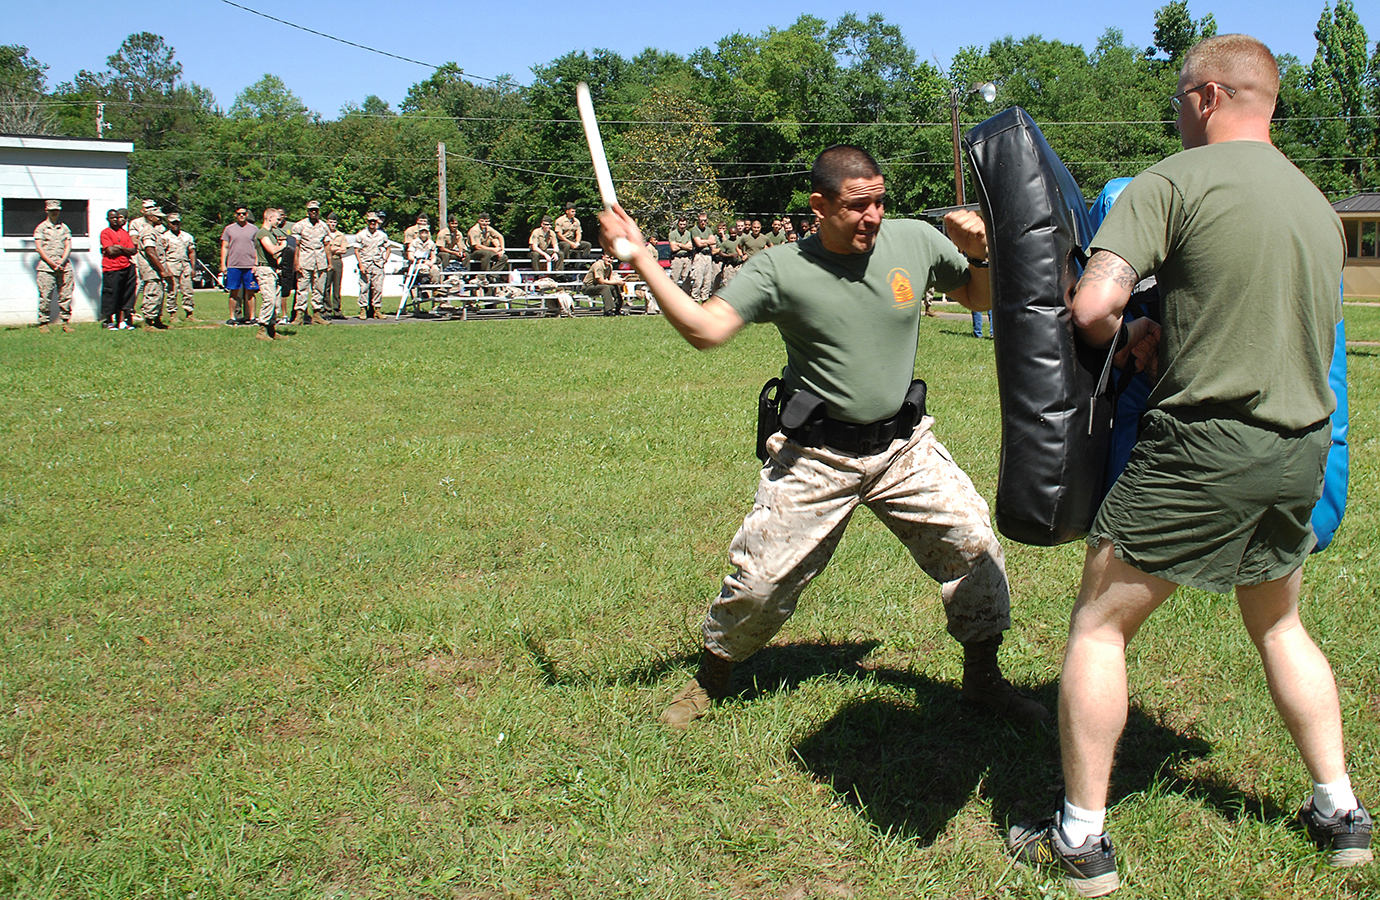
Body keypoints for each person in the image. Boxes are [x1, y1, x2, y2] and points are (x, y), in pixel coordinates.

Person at [1006, 35, 1371, 897]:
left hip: (1205, 446)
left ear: (1209, 96)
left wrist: (1122, 326)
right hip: (1301, 452)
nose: (1176, 114)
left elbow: (1093, 303)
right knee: (1279, 624)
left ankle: (1081, 838)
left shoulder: (1176, 180)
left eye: (1179, 99)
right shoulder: (1318, 205)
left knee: (1099, 624)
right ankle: (1340, 811)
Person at [598, 144, 1046, 731]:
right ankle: (712, 675)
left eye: (881, 202)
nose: (874, 216)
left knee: (975, 545)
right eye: (858, 205)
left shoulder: (913, 240)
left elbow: (980, 298)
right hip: (817, 454)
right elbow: (705, 330)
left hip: (902, 448)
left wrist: (982, 254)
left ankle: (984, 680)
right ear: (820, 205)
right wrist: (641, 261)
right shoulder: (779, 268)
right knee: (760, 583)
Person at [33, 200, 74, 333]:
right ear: (47, 211)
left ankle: (66, 322)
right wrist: (51, 263)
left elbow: (68, 245)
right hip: (46, 267)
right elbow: (39, 247)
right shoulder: (41, 228)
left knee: (66, 295)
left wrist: (61, 262)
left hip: (64, 266)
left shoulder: (64, 228)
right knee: (45, 295)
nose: (54, 212)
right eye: (51, 210)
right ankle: (43, 322)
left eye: (56, 210)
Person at [130, 201, 171, 330]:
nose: (160, 219)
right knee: (152, 293)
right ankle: (148, 321)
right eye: (157, 216)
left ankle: (157, 320)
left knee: (159, 294)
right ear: (150, 217)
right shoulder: (148, 232)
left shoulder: (156, 231)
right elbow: (150, 251)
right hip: (151, 269)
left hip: (157, 268)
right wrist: (161, 269)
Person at [220, 206, 260, 326]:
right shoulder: (229, 229)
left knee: (250, 291)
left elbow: (258, 248)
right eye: (239, 214)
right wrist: (223, 264)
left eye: (243, 213)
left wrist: (256, 263)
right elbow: (225, 246)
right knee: (234, 291)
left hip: (249, 265)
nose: (241, 216)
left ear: (247, 214)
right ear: (235, 215)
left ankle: (252, 317)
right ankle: (233, 317)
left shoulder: (254, 229)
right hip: (233, 265)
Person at [99, 208, 138, 329]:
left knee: (124, 294)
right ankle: (109, 322)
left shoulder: (124, 233)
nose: (115, 220)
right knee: (111, 295)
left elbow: (133, 250)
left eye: (117, 218)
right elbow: (110, 251)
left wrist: (120, 248)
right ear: (108, 219)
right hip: (112, 268)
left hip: (126, 267)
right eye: (112, 218)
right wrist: (124, 250)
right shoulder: (105, 233)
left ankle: (121, 321)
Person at [293, 200, 331, 325]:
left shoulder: (324, 226)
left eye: (316, 210)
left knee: (319, 288)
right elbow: (296, 246)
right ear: (307, 211)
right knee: (302, 289)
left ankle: (317, 314)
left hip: (320, 261)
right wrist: (296, 263)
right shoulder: (300, 226)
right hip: (305, 260)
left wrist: (329, 262)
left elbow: (327, 245)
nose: (313, 212)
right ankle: (300, 314)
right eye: (311, 210)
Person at [253, 208, 286, 341]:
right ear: (269, 218)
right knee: (269, 299)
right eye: (277, 219)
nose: (279, 221)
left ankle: (272, 329)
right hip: (265, 270)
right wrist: (283, 245)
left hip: (273, 270)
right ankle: (262, 329)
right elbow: (272, 250)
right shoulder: (262, 233)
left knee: (276, 301)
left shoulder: (271, 233)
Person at [355, 212, 390, 319]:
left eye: (374, 221)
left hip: (377, 264)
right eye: (371, 221)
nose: (372, 223)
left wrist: (385, 259)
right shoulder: (361, 234)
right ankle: (363, 309)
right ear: (367, 222)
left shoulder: (382, 235)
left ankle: (377, 309)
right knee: (364, 287)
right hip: (365, 263)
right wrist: (360, 264)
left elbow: (388, 247)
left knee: (378, 288)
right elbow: (356, 249)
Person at [163, 213, 197, 321]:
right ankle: (172, 314)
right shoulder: (164, 237)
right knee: (172, 291)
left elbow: (191, 251)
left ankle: (189, 313)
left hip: (185, 265)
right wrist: (165, 269)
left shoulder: (187, 236)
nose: (175, 225)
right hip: (171, 264)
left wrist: (193, 267)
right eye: (173, 223)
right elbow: (162, 254)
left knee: (188, 290)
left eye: (177, 222)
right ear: (169, 224)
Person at [583, 248, 626, 315]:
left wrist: (619, 282)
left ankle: (618, 308)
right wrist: (616, 282)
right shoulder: (598, 265)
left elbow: (611, 280)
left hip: (598, 285)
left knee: (614, 286)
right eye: (608, 258)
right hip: (588, 287)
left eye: (611, 259)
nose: (609, 260)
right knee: (605, 288)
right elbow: (601, 281)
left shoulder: (610, 266)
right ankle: (608, 310)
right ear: (603, 257)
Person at [323, 212, 349, 318]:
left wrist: (333, 249)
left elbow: (344, 250)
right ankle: (326, 310)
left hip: (337, 261)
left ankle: (337, 310)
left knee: (337, 286)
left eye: (334, 222)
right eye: (330, 222)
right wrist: (335, 249)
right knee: (326, 286)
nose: (332, 224)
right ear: (327, 222)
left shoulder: (340, 235)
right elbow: (324, 249)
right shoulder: (324, 234)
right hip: (326, 261)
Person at [688, 212, 717, 303]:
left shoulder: (708, 230)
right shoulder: (695, 230)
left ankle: (705, 301)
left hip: (708, 256)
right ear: (698, 220)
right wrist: (707, 242)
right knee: (698, 280)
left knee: (707, 281)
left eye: (704, 221)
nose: (703, 223)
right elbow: (699, 244)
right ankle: (695, 300)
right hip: (699, 256)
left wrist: (704, 241)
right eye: (701, 221)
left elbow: (713, 241)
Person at [667, 215, 694, 292]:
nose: (682, 226)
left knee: (687, 280)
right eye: (681, 224)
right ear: (678, 224)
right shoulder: (673, 234)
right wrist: (685, 245)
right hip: (677, 259)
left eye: (684, 224)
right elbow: (673, 248)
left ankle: (686, 297)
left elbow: (690, 247)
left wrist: (679, 244)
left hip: (687, 258)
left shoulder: (688, 234)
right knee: (674, 279)